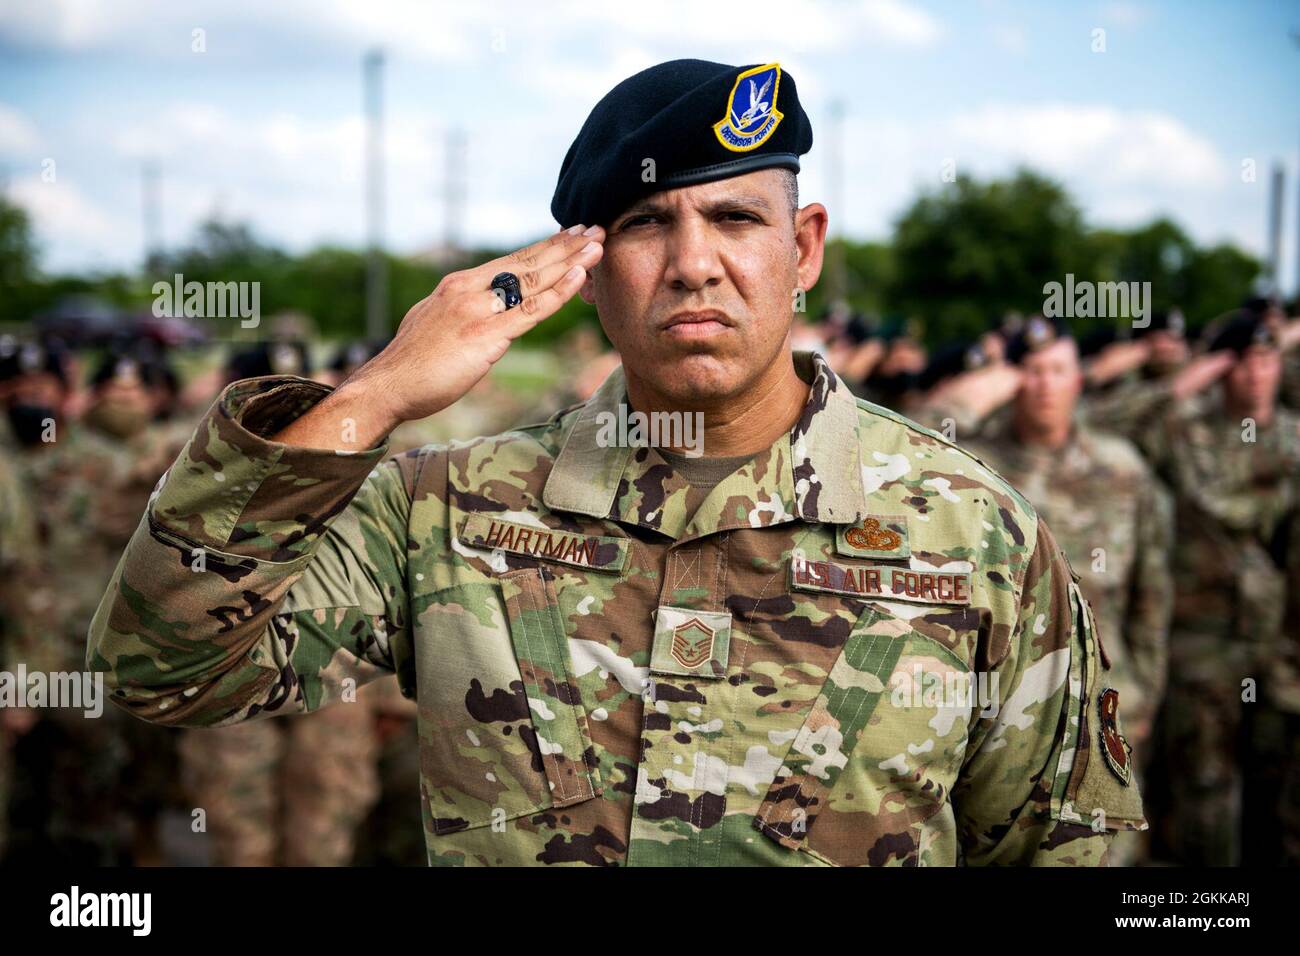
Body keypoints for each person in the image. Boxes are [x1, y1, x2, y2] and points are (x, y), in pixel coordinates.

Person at [89, 58, 1141, 866]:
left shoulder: (969, 528)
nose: (694, 263)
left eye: (736, 216)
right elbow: (159, 665)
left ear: (804, 248)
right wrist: (376, 394)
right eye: (647, 225)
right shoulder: (447, 510)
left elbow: (1066, 838)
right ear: (588, 270)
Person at [923, 318, 1174, 865]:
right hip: (999, 714)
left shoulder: (1123, 470)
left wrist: (1148, 693)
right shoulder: (972, 466)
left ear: (1079, 378)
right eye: (1029, 371)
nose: (1044, 384)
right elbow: (911, 439)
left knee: (1110, 852)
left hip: (1107, 705)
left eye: (1057, 369)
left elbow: (1151, 592)